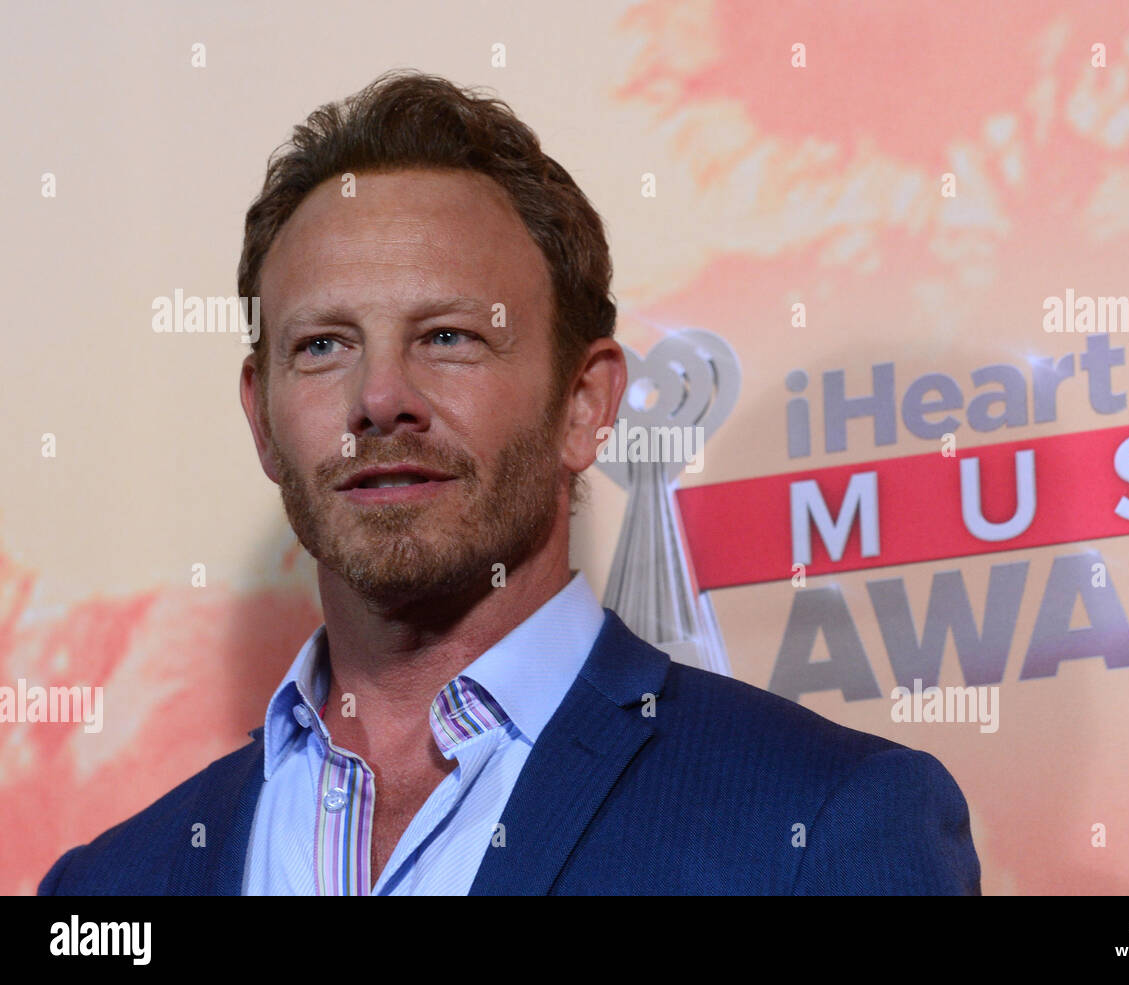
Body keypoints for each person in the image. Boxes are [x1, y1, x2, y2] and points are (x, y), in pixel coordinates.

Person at [39, 70, 980, 895]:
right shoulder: (111, 883)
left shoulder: (825, 822)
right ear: (262, 415)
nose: (379, 397)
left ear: (585, 404)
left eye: (449, 336)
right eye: (323, 346)